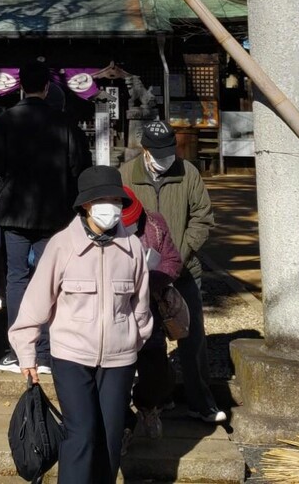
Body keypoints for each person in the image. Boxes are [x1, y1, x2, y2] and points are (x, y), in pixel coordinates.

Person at [9, 166, 153, 484]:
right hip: (71, 356)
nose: (111, 206)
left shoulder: (133, 250)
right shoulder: (62, 246)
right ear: (86, 205)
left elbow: (141, 308)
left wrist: (132, 339)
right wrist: (27, 354)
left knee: (111, 436)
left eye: (116, 200)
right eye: (103, 199)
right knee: (81, 432)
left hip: (120, 358)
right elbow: (35, 304)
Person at [0, 59, 92, 372]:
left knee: (16, 278)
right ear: (47, 87)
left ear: (21, 86)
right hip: (55, 212)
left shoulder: (5, 121)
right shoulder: (64, 123)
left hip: (13, 211)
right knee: (51, 280)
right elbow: (80, 169)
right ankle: (47, 350)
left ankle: (21, 350)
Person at [121, 118, 223, 424]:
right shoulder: (126, 175)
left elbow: (202, 218)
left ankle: (200, 401)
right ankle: (157, 397)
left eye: (170, 151)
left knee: (191, 337)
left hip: (184, 271)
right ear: (145, 150)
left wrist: (181, 252)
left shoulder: (187, 172)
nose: (166, 158)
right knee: (149, 341)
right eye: (159, 152)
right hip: (141, 274)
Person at [120, 186, 182, 441]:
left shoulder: (154, 224)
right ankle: (122, 424)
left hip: (150, 307)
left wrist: (149, 280)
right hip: (112, 313)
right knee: (117, 371)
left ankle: (148, 407)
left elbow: (173, 261)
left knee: (154, 364)